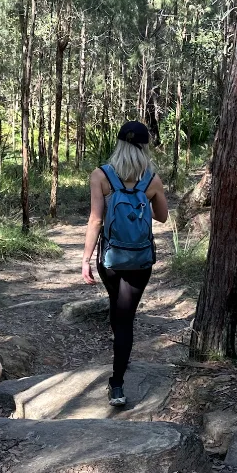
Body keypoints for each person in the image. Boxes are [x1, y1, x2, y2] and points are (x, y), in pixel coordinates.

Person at [81, 120, 169, 407]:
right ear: (145, 147)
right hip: (140, 260)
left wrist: (85, 260)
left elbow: (95, 220)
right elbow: (162, 217)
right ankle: (117, 383)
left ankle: (118, 371)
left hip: (110, 258)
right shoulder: (151, 179)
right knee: (125, 318)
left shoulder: (101, 175)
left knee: (117, 309)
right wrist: (140, 203)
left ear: (119, 144)